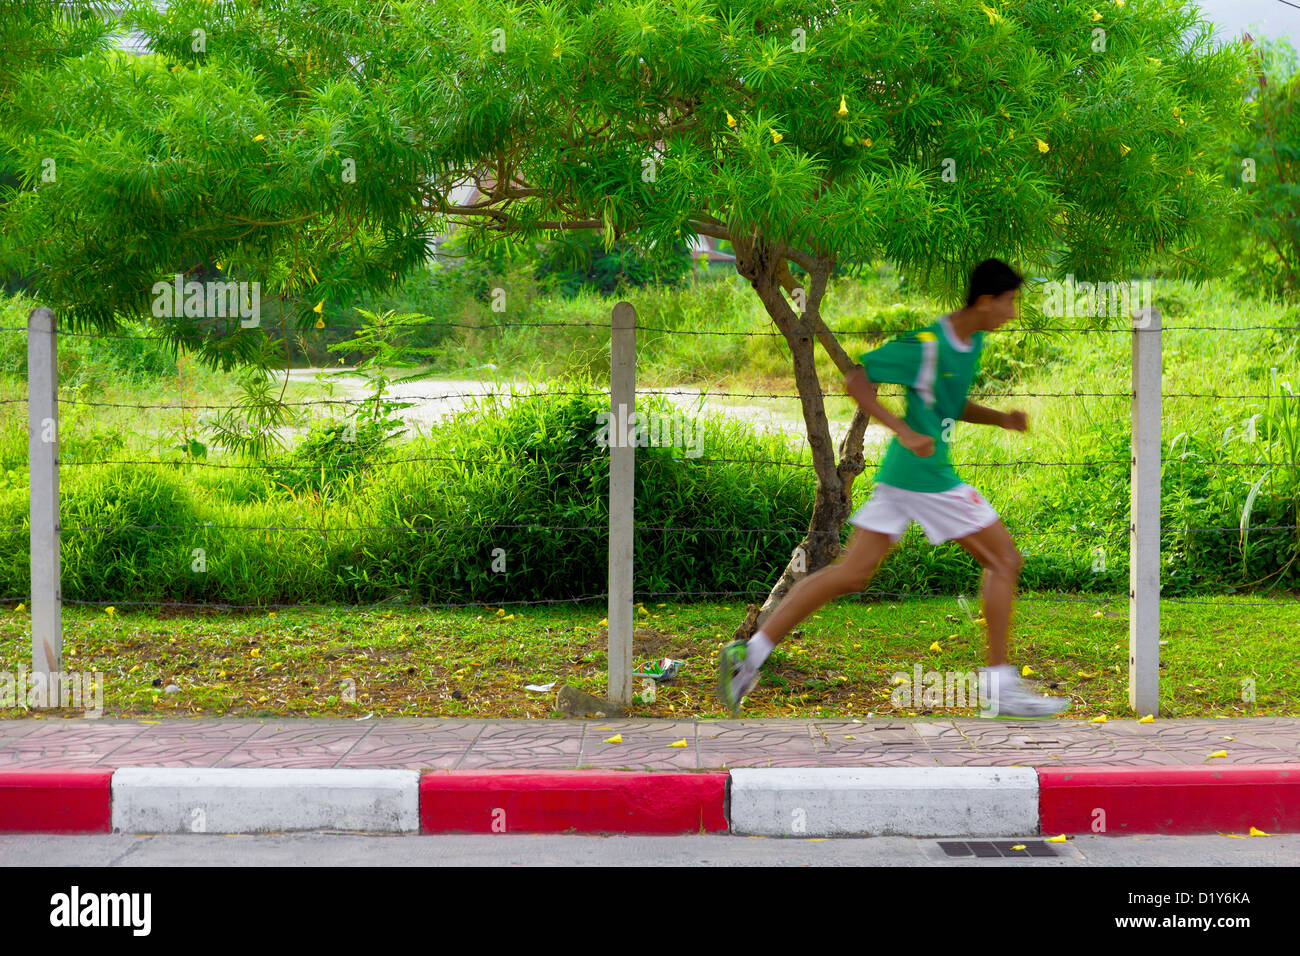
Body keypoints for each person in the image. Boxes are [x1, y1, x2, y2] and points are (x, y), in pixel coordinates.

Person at [718, 258, 1071, 719]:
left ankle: (749, 654)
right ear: (985, 301)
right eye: (1009, 302)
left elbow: (950, 401)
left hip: (906, 476)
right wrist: (901, 429)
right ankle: (999, 686)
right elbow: (857, 379)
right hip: (927, 476)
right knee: (1004, 559)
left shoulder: (971, 342)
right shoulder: (927, 345)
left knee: (851, 574)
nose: (1013, 312)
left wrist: (1000, 418)